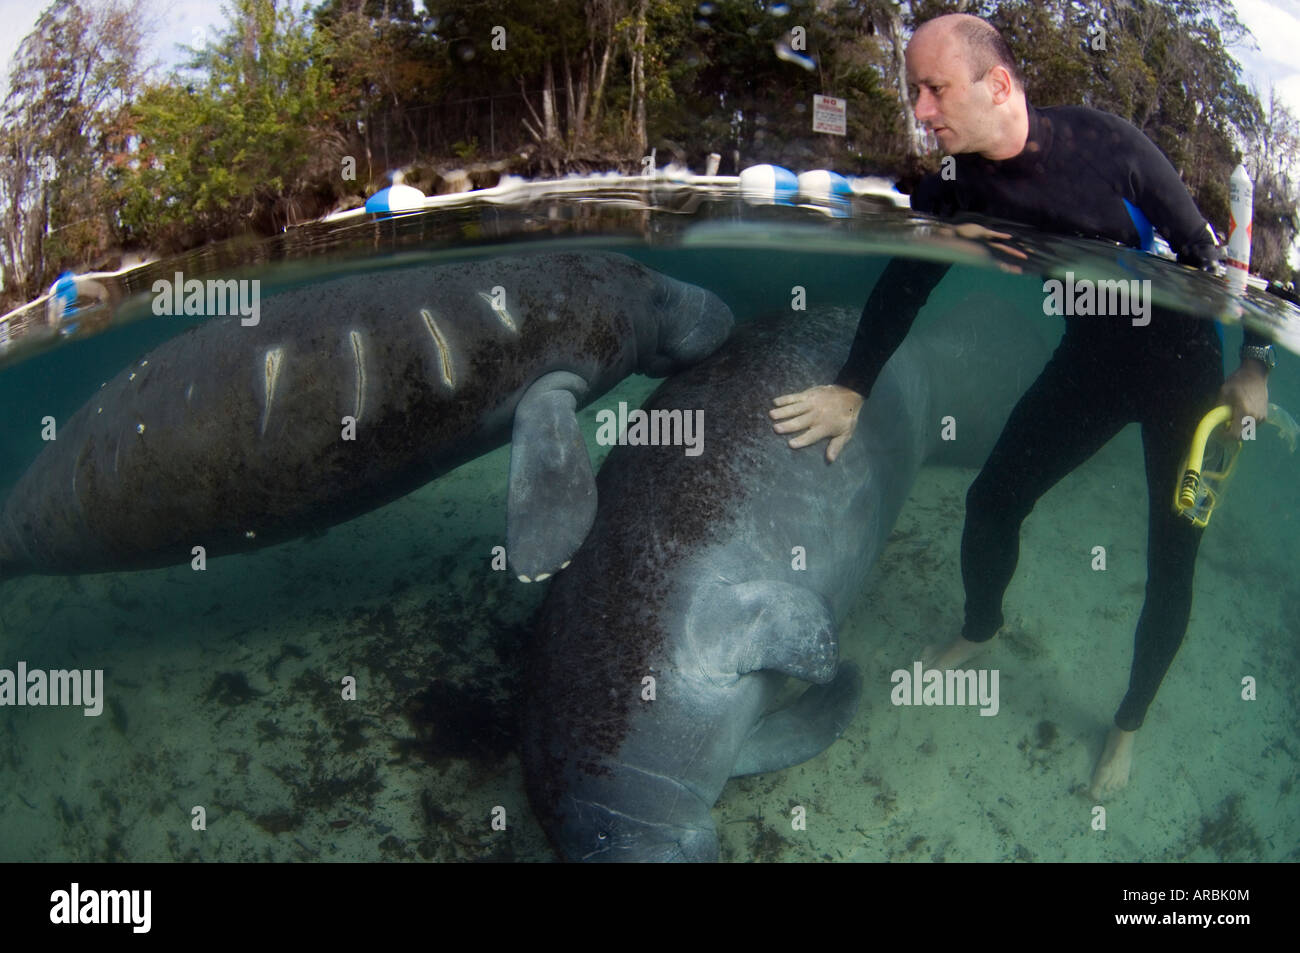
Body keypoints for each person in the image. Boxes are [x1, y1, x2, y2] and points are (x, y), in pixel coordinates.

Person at [769, 13, 1275, 798]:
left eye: (932, 90)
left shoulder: (1112, 150)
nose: (922, 111)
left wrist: (1255, 365)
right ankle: (981, 627)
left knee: (1172, 562)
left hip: (1180, 372)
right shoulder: (964, 184)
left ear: (997, 84)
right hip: (1089, 366)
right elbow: (910, 275)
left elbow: (1221, 271)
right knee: (992, 499)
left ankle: (1127, 724)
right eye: (915, 94)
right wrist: (853, 385)